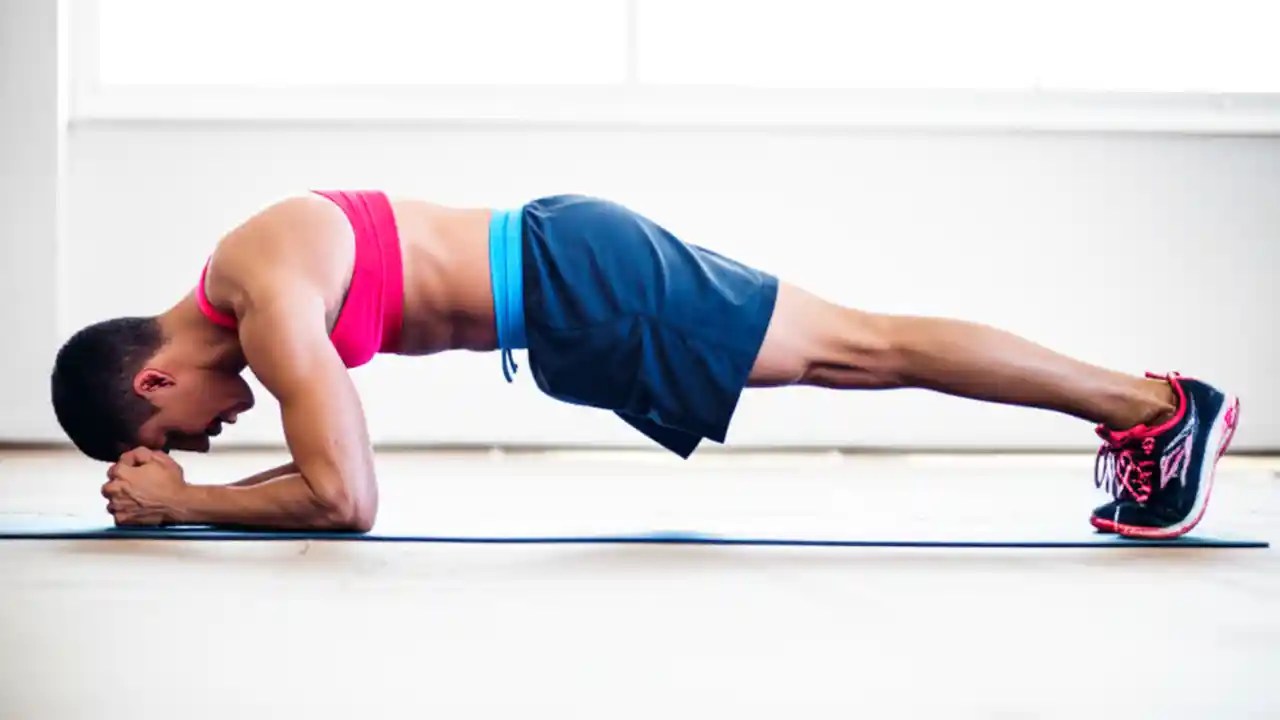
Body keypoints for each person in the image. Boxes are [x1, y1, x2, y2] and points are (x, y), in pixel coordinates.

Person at [50, 191, 1240, 538]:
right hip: (572, 302)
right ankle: (1143, 409)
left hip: (577, 281)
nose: (205, 440)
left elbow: (346, 497)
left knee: (859, 352)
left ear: (152, 383)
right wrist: (185, 493)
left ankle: (1149, 409)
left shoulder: (257, 291)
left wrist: (189, 502)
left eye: (176, 436)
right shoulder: (252, 281)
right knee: (854, 355)